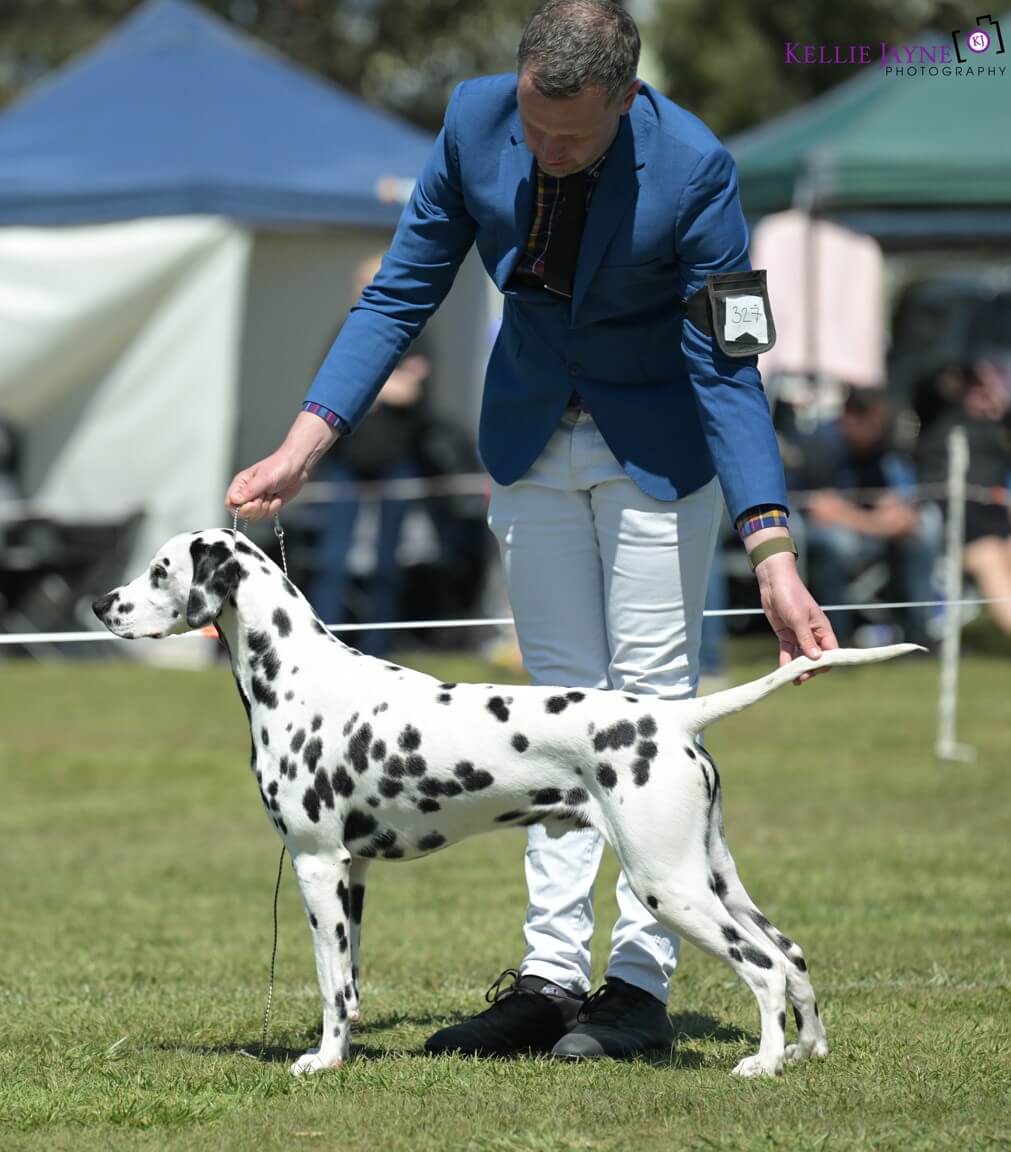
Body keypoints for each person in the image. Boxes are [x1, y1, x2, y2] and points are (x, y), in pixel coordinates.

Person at [226, 0, 837, 1061]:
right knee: (548, 704)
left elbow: (729, 364)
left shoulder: (697, 168)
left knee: (646, 709)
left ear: (626, 99)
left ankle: (636, 984)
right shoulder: (471, 122)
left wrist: (771, 548)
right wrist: (302, 445)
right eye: (534, 126)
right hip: (527, 441)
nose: (546, 150)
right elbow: (398, 295)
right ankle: (551, 977)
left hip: (656, 455)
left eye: (573, 136)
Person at [309, 253, 431, 657]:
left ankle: (379, 647)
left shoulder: (416, 333)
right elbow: (325, 393)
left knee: (387, 564)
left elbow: (410, 394)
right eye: (361, 285)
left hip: (397, 464)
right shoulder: (343, 333)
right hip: (345, 464)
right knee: (332, 560)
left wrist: (360, 386)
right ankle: (326, 643)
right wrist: (386, 383)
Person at [788, 387, 943, 648]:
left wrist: (900, 515)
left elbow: (893, 497)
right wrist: (880, 525)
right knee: (838, 542)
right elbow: (822, 511)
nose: (881, 432)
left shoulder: (879, 448)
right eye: (875, 425)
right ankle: (836, 636)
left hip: (862, 529)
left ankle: (917, 632)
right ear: (849, 417)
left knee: (925, 527)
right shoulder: (820, 445)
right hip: (808, 530)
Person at [915, 360, 1011, 635]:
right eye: (978, 387)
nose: (985, 394)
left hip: (997, 524)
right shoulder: (940, 421)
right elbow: (928, 382)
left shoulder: (997, 429)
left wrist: (1000, 406)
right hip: (959, 529)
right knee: (989, 558)